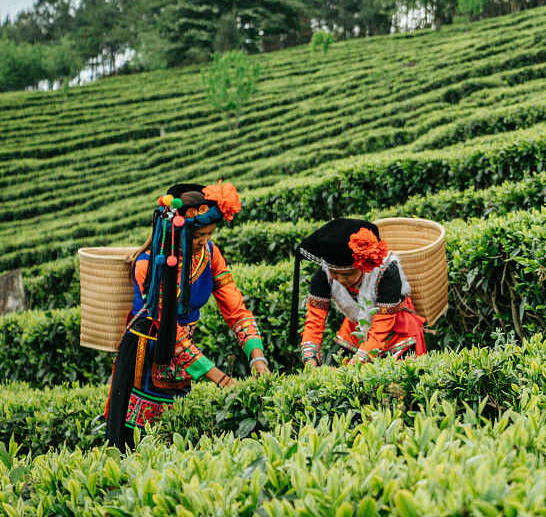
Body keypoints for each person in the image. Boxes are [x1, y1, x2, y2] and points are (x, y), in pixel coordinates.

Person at [105, 181, 268, 448]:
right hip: (145, 357)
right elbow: (168, 328)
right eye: (196, 236)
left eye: (209, 234)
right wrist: (221, 378)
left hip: (182, 360)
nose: (203, 242)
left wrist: (256, 356)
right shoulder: (149, 265)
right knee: (134, 442)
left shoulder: (210, 254)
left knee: (176, 436)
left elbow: (235, 309)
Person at [289, 218, 426, 367]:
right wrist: (310, 358)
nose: (340, 279)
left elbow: (381, 328)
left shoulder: (386, 271)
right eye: (334, 273)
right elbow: (314, 320)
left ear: (363, 266)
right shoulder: (324, 274)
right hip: (356, 330)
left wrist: (357, 364)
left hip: (394, 331)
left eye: (347, 274)